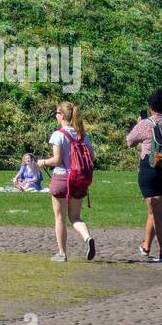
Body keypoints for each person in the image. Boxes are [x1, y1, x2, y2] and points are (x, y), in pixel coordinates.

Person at [37, 100, 96, 262]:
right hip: (79, 179)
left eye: (57, 113)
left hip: (62, 178)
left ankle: (62, 253)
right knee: (75, 217)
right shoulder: (83, 136)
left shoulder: (58, 134)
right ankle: (87, 238)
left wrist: (42, 162)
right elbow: (91, 158)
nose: (56, 116)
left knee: (60, 217)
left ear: (62, 115)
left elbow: (56, 160)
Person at [126, 90, 162, 260]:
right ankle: (146, 245)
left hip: (151, 170)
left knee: (157, 212)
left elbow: (130, 141)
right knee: (155, 209)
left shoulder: (146, 123)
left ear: (150, 107)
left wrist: (138, 124)